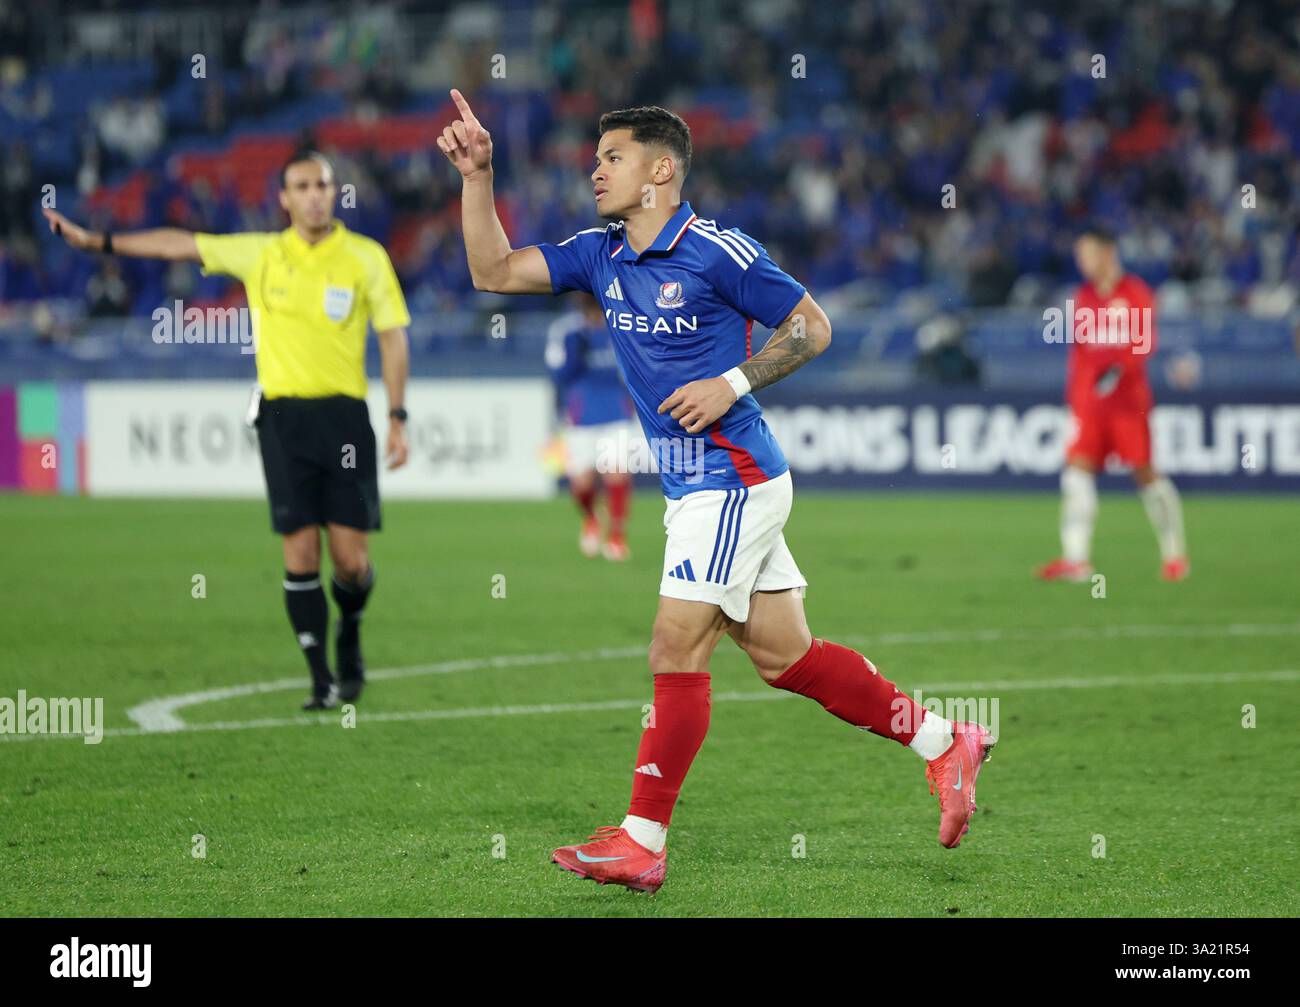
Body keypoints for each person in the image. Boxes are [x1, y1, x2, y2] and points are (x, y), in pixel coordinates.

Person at [437, 90, 995, 894]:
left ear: (661, 170)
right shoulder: (603, 255)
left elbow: (813, 326)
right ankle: (945, 741)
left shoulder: (718, 252)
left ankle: (642, 839)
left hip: (730, 476)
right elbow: (491, 269)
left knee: (674, 643)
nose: (595, 171)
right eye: (597, 159)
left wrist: (730, 382)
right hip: (701, 487)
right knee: (785, 655)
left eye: (613, 158)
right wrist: (478, 176)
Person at [43, 149, 412, 709]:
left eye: (322, 185)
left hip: (344, 420)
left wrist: (397, 416)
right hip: (282, 419)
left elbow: (392, 336)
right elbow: (179, 243)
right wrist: (99, 243)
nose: (314, 195)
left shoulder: (365, 258)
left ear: (334, 193)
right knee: (299, 554)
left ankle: (350, 633)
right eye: (301, 186)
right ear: (283, 198)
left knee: (350, 560)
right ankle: (321, 680)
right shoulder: (260, 253)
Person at [1038, 227, 1189, 582]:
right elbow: (1080, 355)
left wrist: (1120, 366)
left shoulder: (1135, 293)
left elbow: (1145, 342)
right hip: (1091, 406)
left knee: (1145, 473)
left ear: (1108, 252)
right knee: (1076, 473)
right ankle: (1076, 560)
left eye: (1087, 253)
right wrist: (1077, 399)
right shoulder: (1084, 297)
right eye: (1079, 255)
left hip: (1127, 404)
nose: (1082, 262)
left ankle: (1174, 555)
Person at [545, 292, 636, 560]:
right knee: (581, 484)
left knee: (616, 474)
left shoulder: (621, 327)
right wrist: (576, 354)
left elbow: (634, 369)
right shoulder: (567, 331)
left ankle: (617, 536)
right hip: (581, 415)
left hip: (616, 412)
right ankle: (592, 516)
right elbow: (558, 374)